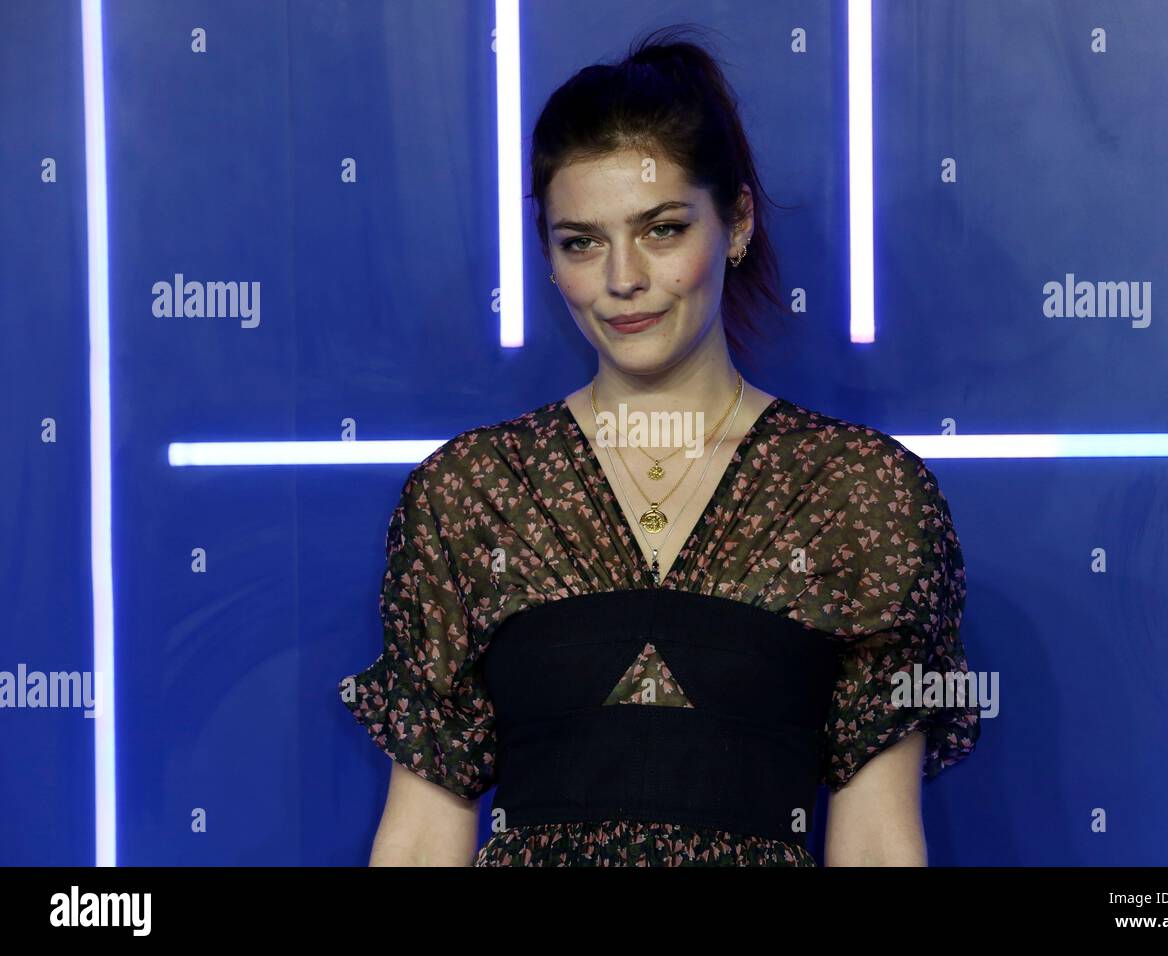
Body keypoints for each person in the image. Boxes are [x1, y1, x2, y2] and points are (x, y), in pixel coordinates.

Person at [338, 24, 979, 867]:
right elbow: (420, 839)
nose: (622, 279)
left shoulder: (860, 495)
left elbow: (878, 846)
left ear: (737, 222)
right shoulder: (472, 494)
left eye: (663, 229)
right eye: (582, 242)